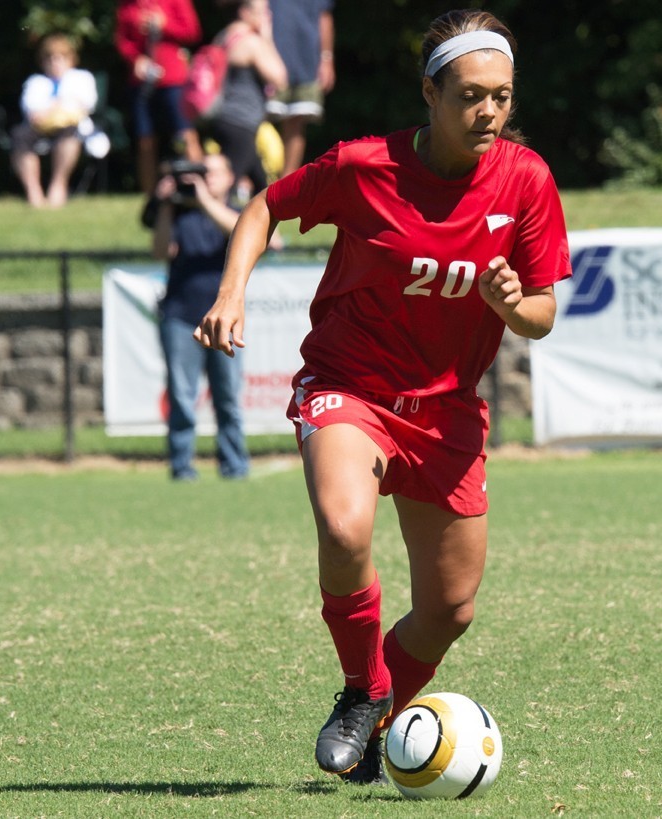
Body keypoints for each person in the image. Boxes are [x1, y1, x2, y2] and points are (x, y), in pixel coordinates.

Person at [193, 8, 570, 784]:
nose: (489, 111)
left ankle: (381, 726)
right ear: (430, 93)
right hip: (350, 388)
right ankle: (364, 688)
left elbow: (541, 313)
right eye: (470, 95)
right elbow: (266, 206)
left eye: (501, 96)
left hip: (446, 411)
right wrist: (231, 292)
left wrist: (511, 304)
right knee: (343, 527)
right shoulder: (366, 166)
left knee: (450, 608)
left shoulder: (526, 179)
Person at [150, 152, 251, 481]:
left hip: (225, 320)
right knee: (181, 397)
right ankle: (182, 467)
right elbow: (159, 251)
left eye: (212, 172)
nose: (205, 178)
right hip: (181, 316)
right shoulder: (182, 214)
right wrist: (165, 206)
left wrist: (205, 200)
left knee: (228, 396)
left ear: (230, 177)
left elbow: (244, 233)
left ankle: (234, 465)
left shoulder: (238, 212)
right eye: (201, 172)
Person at [116, 0, 204, 194]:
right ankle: (150, 196)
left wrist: (165, 24)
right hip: (142, 83)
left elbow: (192, 32)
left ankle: (201, 189)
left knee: (185, 135)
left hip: (173, 80)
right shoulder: (128, 5)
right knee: (145, 140)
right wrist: (135, 60)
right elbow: (123, 40)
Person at [206, 0, 288, 201]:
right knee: (224, 187)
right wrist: (267, 38)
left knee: (261, 186)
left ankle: (270, 222)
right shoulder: (250, 41)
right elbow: (280, 78)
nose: (267, 17)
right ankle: (195, 218)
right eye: (263, 11)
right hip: (240, 122)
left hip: (223, 118)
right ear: (244, 12)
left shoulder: (223, 36)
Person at [10, 33, 98, 208]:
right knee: (20, 136)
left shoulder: (82, 78)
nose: (55, 62)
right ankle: (33, 191)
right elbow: (30, 108)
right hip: (40, 128)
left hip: (70, 127)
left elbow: (87, 103)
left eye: (60, 58)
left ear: (70, 59)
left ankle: (58, 186)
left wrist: (54, 107)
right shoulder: (36, 82)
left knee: (70, 134)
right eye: (50, 58)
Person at [266, 0, 335, 177]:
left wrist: (326, 59)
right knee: (258, 117)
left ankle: (286, 182)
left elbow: (324, 17)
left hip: (306, 59)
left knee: (297, 119)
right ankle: (255, 178)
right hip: (268, 57)